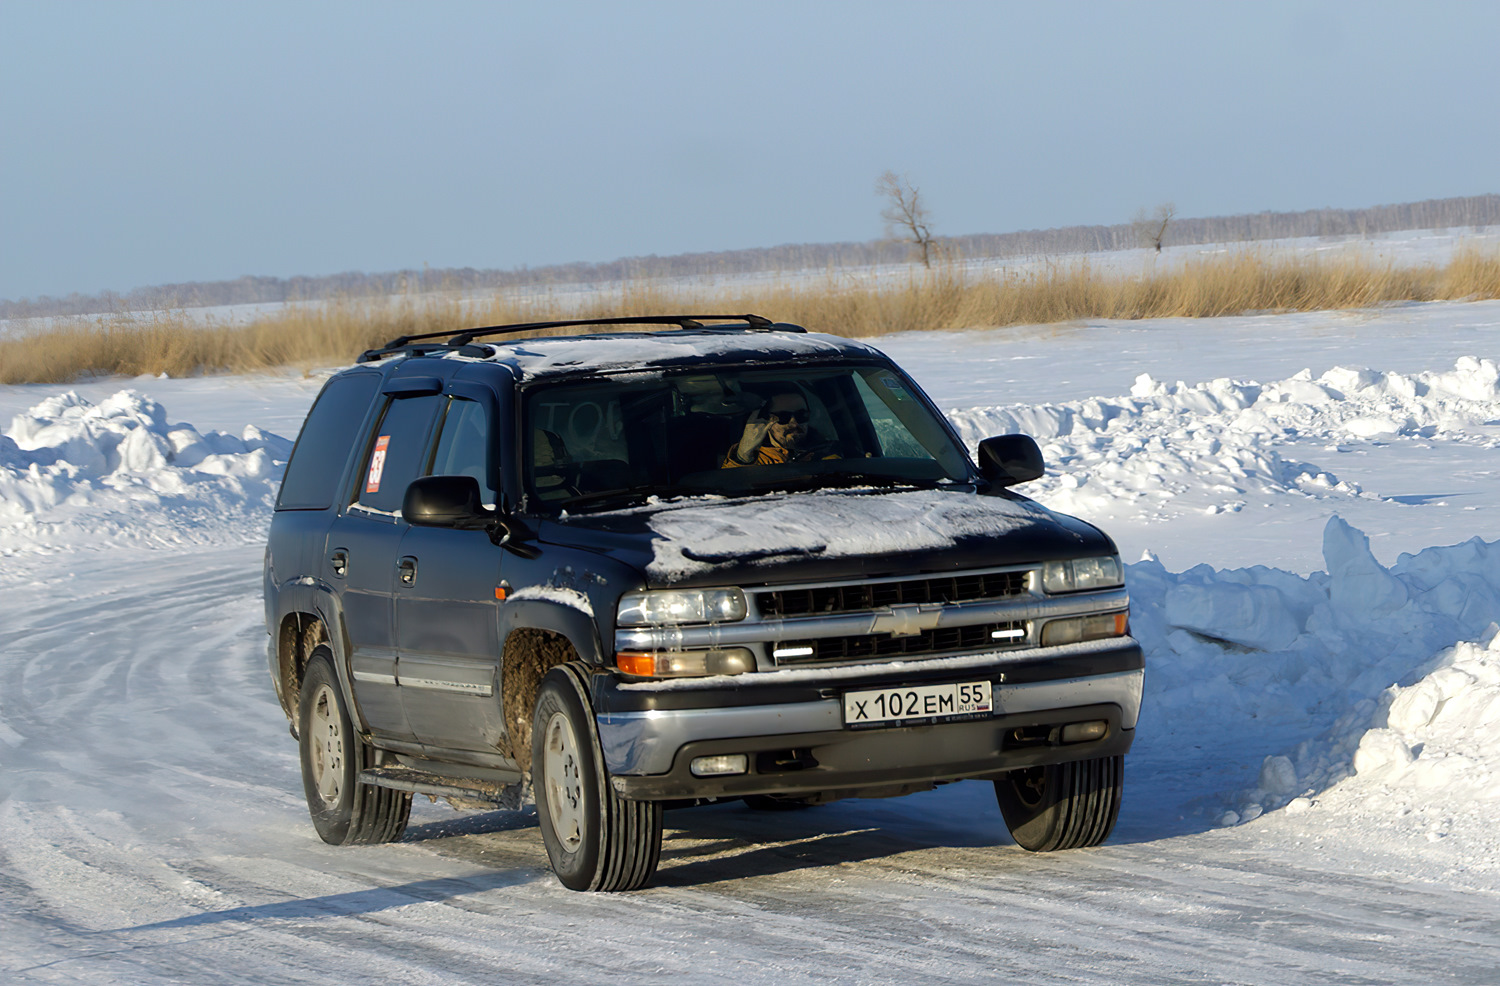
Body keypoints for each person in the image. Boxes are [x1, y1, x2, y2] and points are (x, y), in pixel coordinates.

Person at [722, 388, 840, 468]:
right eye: (784, 416)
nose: (794, 424)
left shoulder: (828, 454)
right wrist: (743, 456)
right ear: (765, 421)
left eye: (801, 415)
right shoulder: (752, 458)